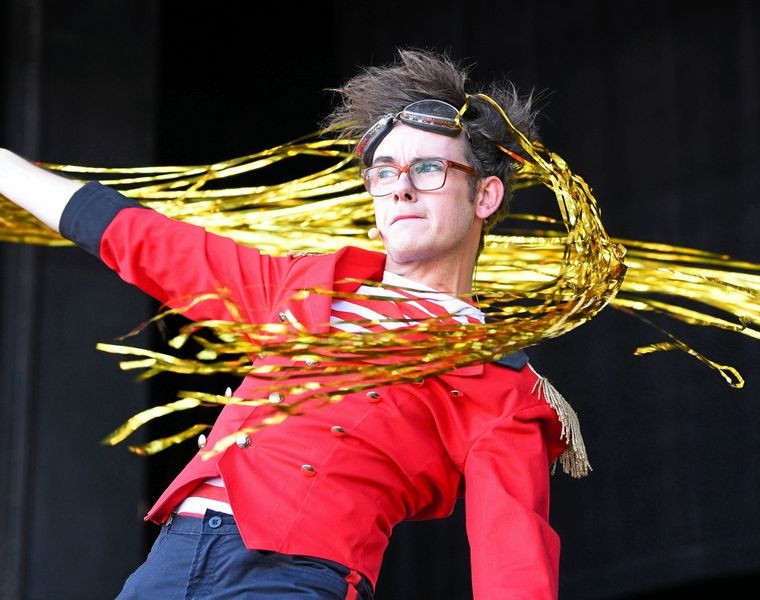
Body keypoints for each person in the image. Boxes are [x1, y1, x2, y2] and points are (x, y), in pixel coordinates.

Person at [0, 48, 588, 599]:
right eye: (383, 171)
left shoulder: (499, 382)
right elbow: (146, 242)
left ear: (485, 196)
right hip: (172, 559)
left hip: (296, 578)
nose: (401, 187)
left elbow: (513, 556)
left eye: (429, 168)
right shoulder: (306, 286)